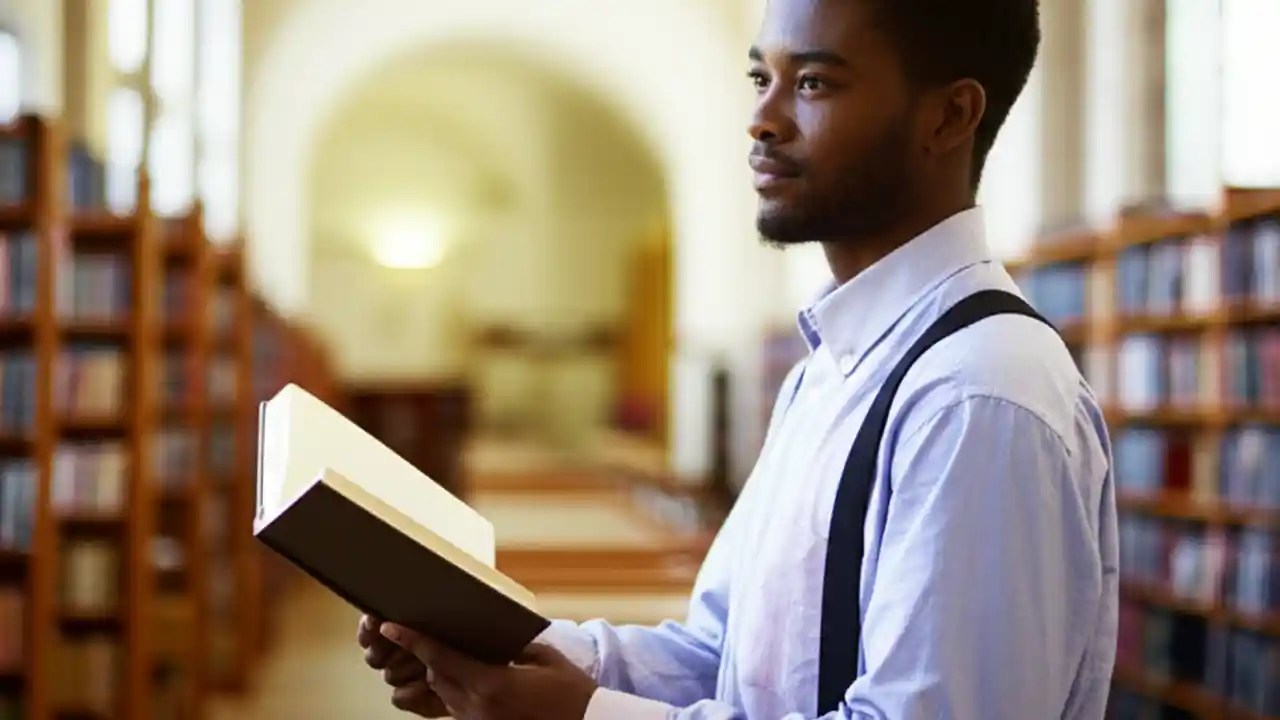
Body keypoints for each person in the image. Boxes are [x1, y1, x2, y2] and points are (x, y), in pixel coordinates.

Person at [357, 0, 1119, 716]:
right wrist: (519, 651)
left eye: (814, 82)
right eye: (762, 78)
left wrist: (586, 715)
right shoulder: (824, 374)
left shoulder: (979, 394)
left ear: (948, 116)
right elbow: (723, 656)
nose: (761, 119)